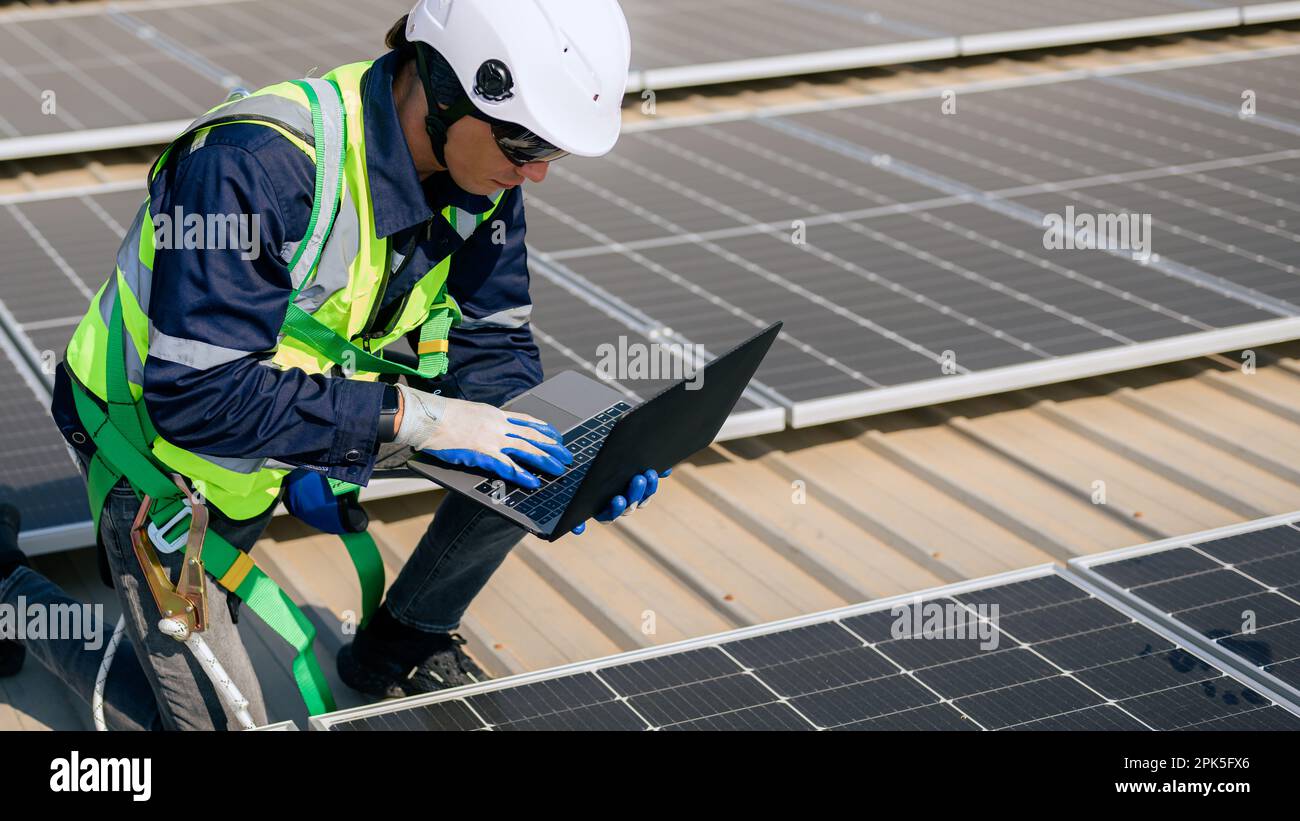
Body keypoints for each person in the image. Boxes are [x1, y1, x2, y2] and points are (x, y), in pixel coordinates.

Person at [6, 0, 664, 730]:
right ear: (443, 89)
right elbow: (194, 396)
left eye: (552, 151)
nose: (537, 172)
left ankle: (396, 645)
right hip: (156, 450)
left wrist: (575, 468)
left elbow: (495, 352)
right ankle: (9, 594)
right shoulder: (253, 165)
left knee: (529, 452)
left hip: (289, 419)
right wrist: (417, 417)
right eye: (522, 143)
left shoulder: (483, 179)